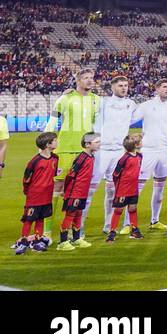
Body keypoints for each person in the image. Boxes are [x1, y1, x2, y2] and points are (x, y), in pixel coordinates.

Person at [48, 70, 100, 215]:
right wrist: (45, 143)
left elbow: (97, 125)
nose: (90, 80)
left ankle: (71, 231)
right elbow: (53, 119)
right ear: (78, 81)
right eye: (85, 78)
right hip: (65, 148)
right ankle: (47, 231)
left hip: (85, 151)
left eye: (91, 78)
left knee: (78, 189)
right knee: (57, 186)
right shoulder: (65, 98)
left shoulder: (96, 99)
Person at [92, 75, 136, 234]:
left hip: (119, 152)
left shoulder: (131, 104)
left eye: (126, 85)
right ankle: (78, 229)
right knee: (90, 189)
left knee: (113, 190)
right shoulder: (103, 103)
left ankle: (109, 224)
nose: (124, 88)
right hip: (101, 151)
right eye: (120, 85)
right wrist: (91, 146)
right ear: (112, 87)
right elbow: (94, 124)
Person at [138, 81, 167, 229]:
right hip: (148, 150)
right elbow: (130, 120)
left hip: (164, 150)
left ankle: (154, 220)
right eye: (164, 87)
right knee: (138, 187)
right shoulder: (146, 105)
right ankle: (128, 223)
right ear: (156, 89)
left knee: (160, 188)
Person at [16, 132, 58, 255]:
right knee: (29, 220)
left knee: (40, 219)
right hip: (35, 196)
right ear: (47, 144)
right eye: (55, 141)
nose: (56, 142)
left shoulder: (55, 158)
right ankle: (23, 242)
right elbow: (26, 178)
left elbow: (53, 174)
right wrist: (28, 192)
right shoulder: (35, 161)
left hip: (47, 195)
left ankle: (37, 241)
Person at [56, 133, 98, 251]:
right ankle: (62, 242)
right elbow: (71, 175)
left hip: (83, 192)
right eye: (97, 142)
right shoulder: (81, 158)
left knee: (79, 214)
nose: (99, 144)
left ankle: (76, 238)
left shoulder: (91, 157)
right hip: (75, 192)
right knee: (70, 215)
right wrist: (66, 190)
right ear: (87, 144)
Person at [105, 135, 143, 243]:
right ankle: (112, 232)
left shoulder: (139, 156)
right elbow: (115, 174)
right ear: (136, 144)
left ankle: (134, 230)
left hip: (133, 189)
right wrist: (119, 187)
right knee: (118, 210)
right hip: (123, 189)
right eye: (140, 141)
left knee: (132, 208)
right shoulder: (124, 159)